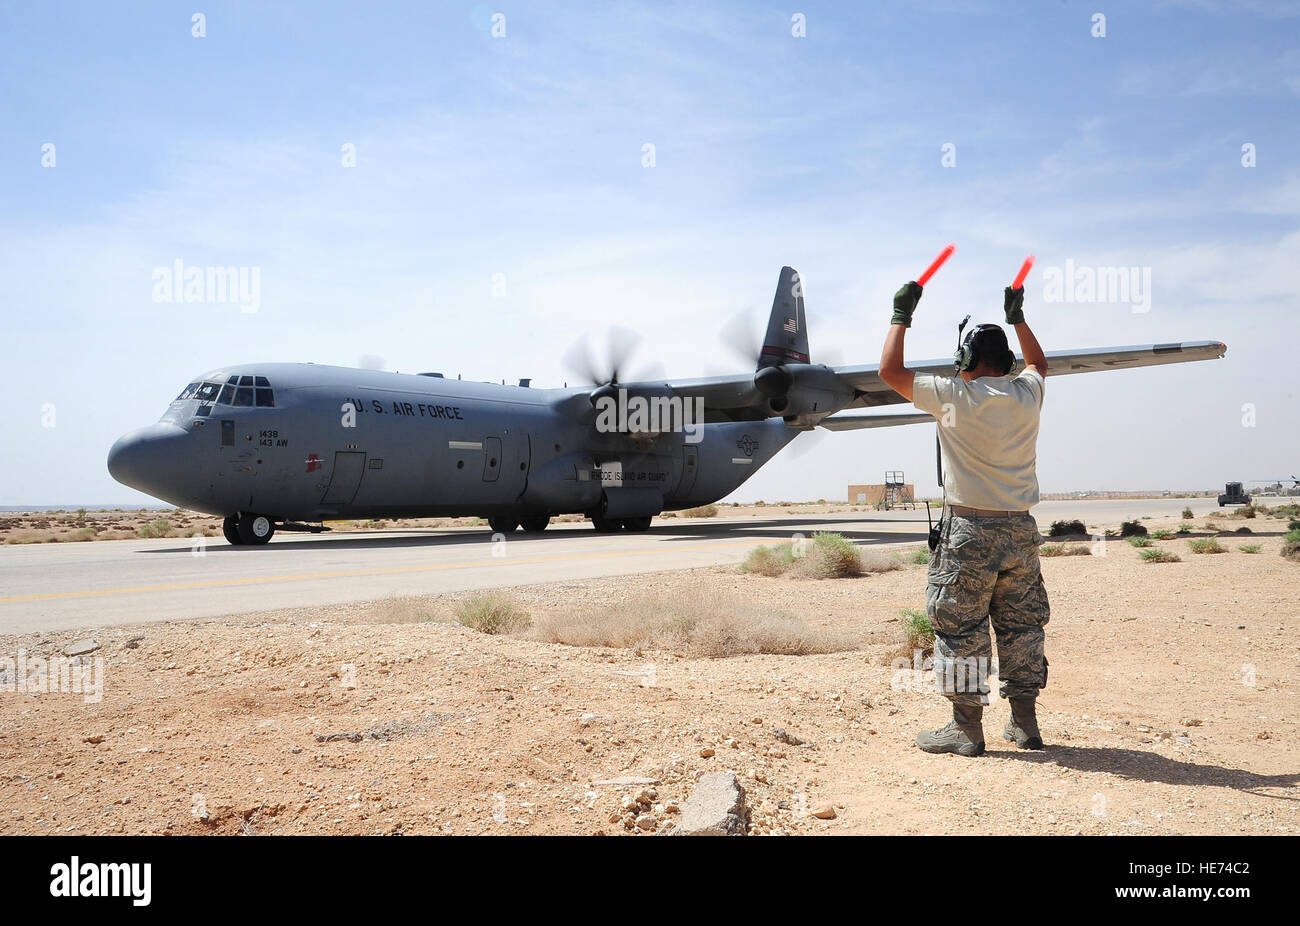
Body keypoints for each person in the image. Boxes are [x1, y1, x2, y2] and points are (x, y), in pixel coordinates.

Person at [878, 280, 1050, 756]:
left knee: (960, 628)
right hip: (1020, 529)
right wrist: (1019, 317)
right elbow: (1039, 364)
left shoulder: (953, 396)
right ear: (1006, 361)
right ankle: (1025, 724)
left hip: (970, 530)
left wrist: (901, 315)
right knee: (1022, 626)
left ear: (966, 361)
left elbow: (889, 370)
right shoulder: (1026, 395)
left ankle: (966, 730)